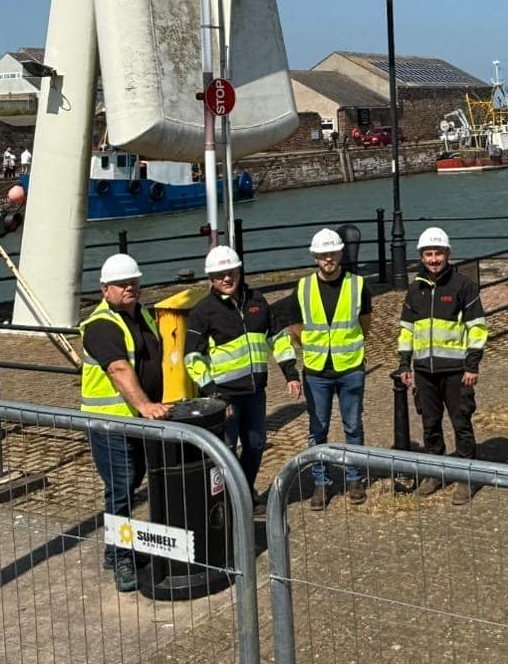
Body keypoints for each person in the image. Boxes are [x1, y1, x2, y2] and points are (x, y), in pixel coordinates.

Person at [79, 252, 170, 592]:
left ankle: (116, 548)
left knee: (130, 483)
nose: (129, 287)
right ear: (105, 290)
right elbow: (119, 368)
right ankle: (120, 561)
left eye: (133, 282)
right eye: (121, 284)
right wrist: (146, 405)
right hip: (111, 422)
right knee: (120, 489)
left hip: (133, 421)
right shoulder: (102, 325)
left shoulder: (143, 314)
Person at [183, 244, 296, 507]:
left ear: (239, 271)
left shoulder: (258, 302)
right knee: (226, 449)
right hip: (224, 396)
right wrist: (211, 390)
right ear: (211, 278)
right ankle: (224, 499)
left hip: (256, 392)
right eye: (220, 274)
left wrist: (290, 373)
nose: (226, 278)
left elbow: (278, 338)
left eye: (231, 272)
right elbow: (192, 357)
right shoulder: (203, 312)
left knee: (256, 444)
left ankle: (243, 492)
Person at [397, 226, 488, 504]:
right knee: (430, 424)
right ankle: (434, 473)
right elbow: (406, 330)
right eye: (428, 254)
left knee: (461, 422)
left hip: (457, 371)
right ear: (421, 257)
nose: (433, 259)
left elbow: (477, 329)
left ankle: (467, 476)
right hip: (425, 372)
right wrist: (404, 363)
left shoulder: (463, 286)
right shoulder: (415, 290)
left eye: (438, 253)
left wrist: (472, 365)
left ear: (447, 254)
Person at [284, 228, 371, 509]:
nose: (328, 258)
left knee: (353, 426)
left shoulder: (358, 285)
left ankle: (355, 477)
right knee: (317, 429)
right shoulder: (303, 287)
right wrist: (314, 346)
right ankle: (321, 484)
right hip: (316, 371)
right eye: (323, 255)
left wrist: (347, 347)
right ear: (316, 257)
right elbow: (295, 328)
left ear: (341, 254)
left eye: (332, 253)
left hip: (350, 368)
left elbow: (365, 324)